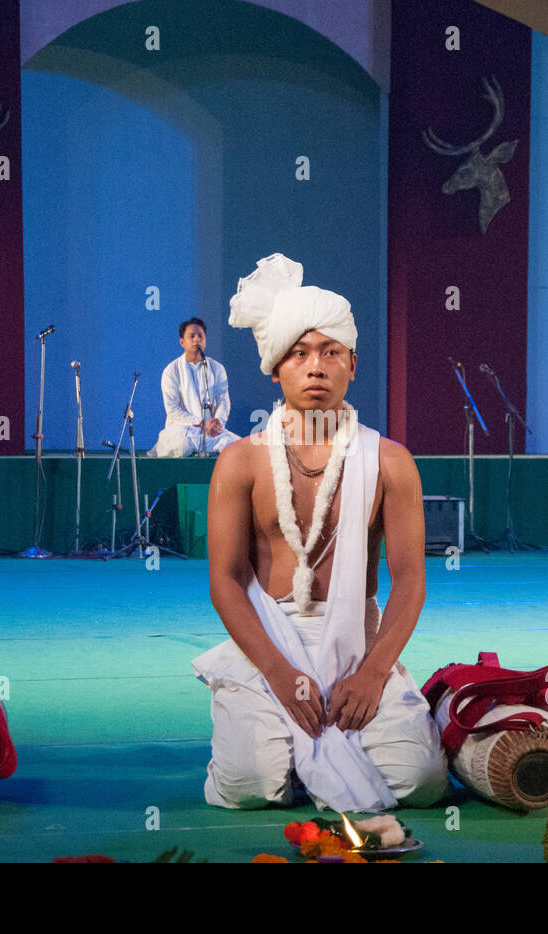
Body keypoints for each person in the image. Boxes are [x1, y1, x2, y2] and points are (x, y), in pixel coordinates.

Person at [192, 253, 447, 813]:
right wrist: (280, 673)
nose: (315, 367)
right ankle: (269, 735)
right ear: (275, 367)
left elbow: (409, 581)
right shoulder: (240, 462)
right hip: (268, 641)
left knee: (422, 782)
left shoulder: (391, 461)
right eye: (299, 353)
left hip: (359, 642)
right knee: (247, 786)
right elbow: (226, 581)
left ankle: (334, 744)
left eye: (330, 352)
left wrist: (375, 672)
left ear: (352, 365)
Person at [150, 318, 239, 457]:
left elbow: (223, 401)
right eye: (192, 336)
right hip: (182, 430)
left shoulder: (217, 368)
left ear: (205, 340)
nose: (196, 340)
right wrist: (202, 423)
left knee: (235, 447)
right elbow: (173, 410)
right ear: (182, 342)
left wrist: (217, 425)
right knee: (182, 446)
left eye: (200, 336)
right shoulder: (171, 370)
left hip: (210, 432)